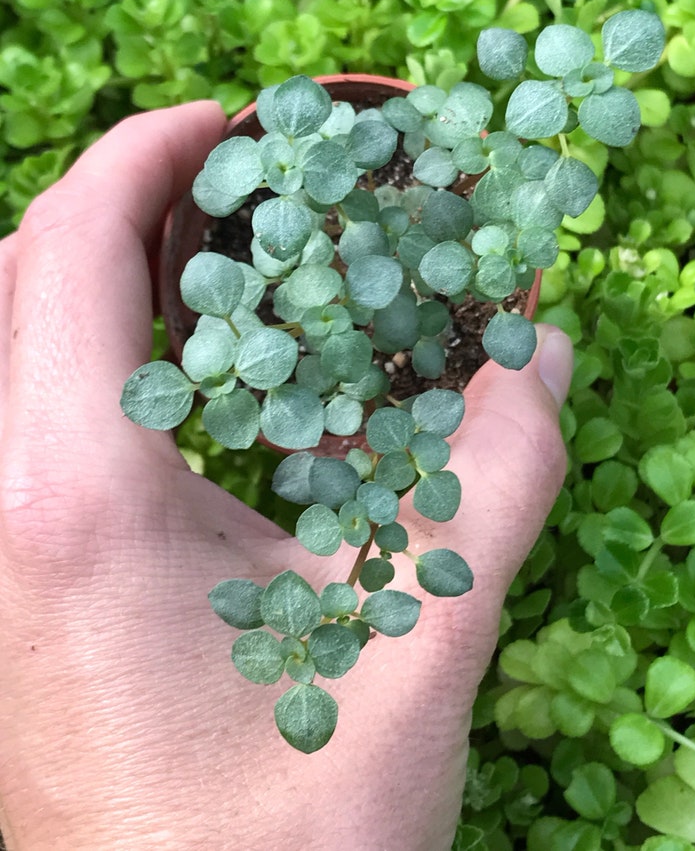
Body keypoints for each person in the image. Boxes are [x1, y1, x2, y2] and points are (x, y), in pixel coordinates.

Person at [0, 102, 573, 851]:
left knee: (401, 317)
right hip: (344, 376)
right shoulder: (289, 330)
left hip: (368, 351)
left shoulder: (352, 228)